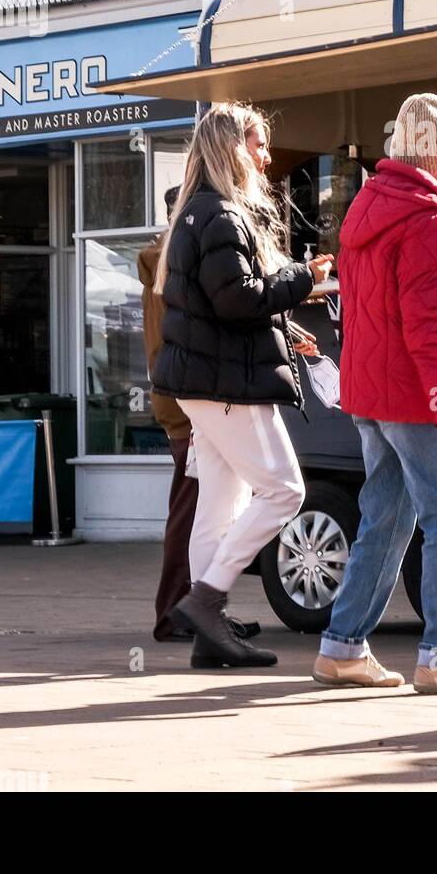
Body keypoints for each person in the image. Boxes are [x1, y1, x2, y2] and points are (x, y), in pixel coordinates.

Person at [311, 92, 437, 694]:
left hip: (367, 392)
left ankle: (342, 647)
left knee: (383, 520)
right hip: (415, 396)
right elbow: (429, 325)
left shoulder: (366, 208)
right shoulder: (426, 222)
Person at [154, 102, 333, 669]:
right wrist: (304, 279)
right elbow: (239, 300)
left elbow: (227, 300)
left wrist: (286, 322)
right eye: (258, 145)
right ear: (234, 149)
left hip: (203, 382)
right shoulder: (222, 216)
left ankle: (209, 636)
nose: (266, 156)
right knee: (284, 490)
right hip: (228, 384)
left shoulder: (197, 213)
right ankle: (206, 602)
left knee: (219, 503)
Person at [139, 185, 261, 651]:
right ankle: (180, 613)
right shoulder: (173, 266)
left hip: (179, 396)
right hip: (190, 400)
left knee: (205, 510)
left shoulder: (166, 263)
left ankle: (204, 612)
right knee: (193, 512)